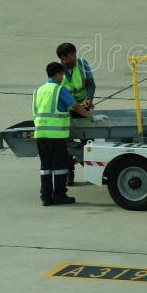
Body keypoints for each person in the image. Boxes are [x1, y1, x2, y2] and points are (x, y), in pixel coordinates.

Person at [32, 62, 92, 206]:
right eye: (62, 75)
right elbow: (75, 106)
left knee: (45, 167)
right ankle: (59, 195)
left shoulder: (38, 90)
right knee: (60, 166)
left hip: (40, 134)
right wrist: (90, 116)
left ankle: (46, 197)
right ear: (58, 74)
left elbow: (35, 111)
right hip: (56, 136)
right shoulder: (60, 90)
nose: (62, 77)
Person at [56, 42, 96, 186]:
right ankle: (69, 172)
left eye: (74, 54)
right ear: (63, 58)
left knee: (88, 142)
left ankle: (92, 173)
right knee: (67, 145)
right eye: (70, 56)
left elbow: (91, 84)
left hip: (83, 108)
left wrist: (89, 98)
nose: (74, 58)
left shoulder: (82, 64)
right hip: (67, 112)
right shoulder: (58, 71)